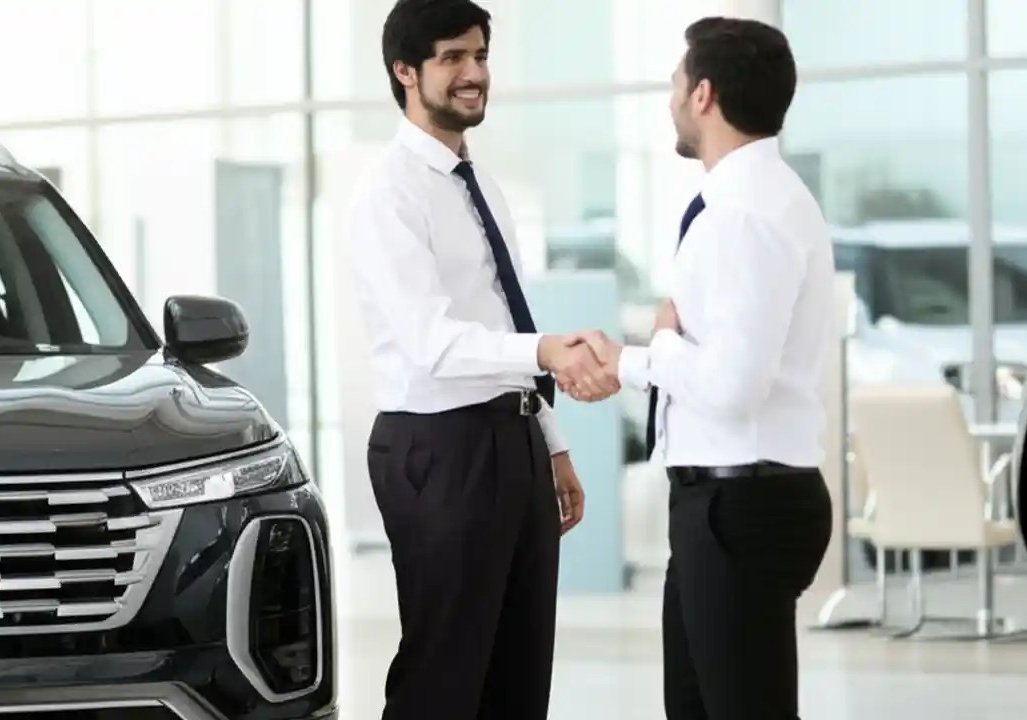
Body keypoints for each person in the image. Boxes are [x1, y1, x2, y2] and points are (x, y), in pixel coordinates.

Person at [343, 1, 617, 718]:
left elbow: (501, 316)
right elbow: (431, 340)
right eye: (453, 58)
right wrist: (546, 352)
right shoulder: (388, 194)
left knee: (519, 676)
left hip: (511, 436)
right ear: (405, 71)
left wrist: (550, 443)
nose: (475, 75)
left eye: (481, 56)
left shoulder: (482, 183)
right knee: (445, 677)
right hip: (440, 450)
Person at [573, 16, 835, 720]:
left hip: (741, 504)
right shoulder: (750, 202)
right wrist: (645, 354)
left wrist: (649, 352)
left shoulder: (746, 214)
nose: (669, 98)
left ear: (703, 96)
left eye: (675, 82)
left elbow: (731, 386)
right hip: (725, 500)